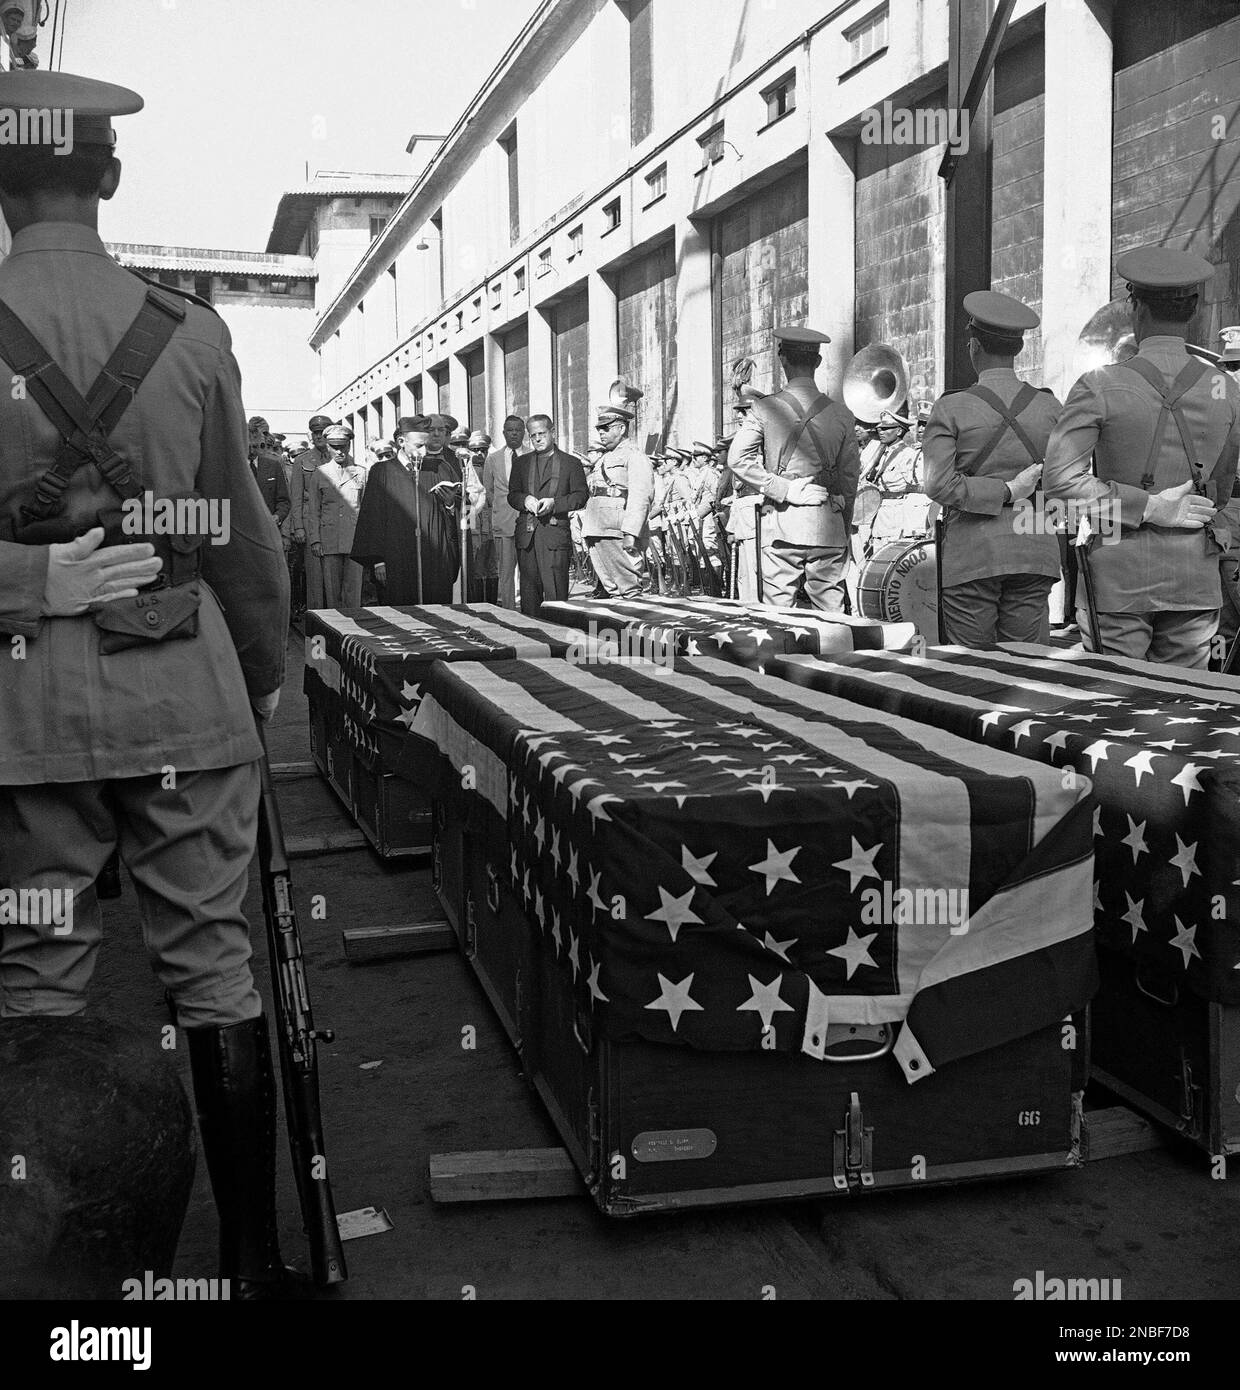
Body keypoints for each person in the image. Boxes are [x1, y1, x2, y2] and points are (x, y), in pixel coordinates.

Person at [0, 71, 291, 1294]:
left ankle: (61, 1266)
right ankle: (250, 1257)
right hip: (184, 687)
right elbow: (242, 540)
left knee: (40, 971)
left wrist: (29, 586)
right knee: (215, 965)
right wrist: (259, 675)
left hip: (24, 715)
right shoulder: (191, 331)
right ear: (107, 177)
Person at [1043, 247, 1240, 668]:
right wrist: (1175, 509)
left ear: (1135, 308)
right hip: (1194, 576)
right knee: (1182, 707)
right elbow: (1219, 491)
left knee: (1114, 703)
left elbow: (1060, 482)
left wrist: (1149, 507)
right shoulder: (1225, 388)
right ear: (1194, 309)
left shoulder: (1099, 385)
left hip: (1119, 576)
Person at [922, 292, 1063, 647]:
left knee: (971, 672)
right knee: (1029, 670)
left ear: (974, 347)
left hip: (973, 555)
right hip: (1035, 550)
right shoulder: (1050, 406)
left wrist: (1004, 491)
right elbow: (1067, 480)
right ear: (1017, 349)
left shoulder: (951, 407)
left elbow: (938, 484)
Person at [728, 326, 860, 611]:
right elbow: (850, 479)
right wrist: (843, 525)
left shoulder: (764, 408)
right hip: (828, 523)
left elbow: (737, 459)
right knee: (833, 617)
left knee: (779, 616)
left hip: (782, 523)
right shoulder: (842, 414)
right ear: (818, 362)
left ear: (782, 360)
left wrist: (784, 489)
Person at [351, 414, 462, 603]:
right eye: (418, 446)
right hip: (396, 558)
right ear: (402, 441)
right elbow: (372, 518)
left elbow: (451, 514)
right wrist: (378, 560)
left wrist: (451, 504)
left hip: (434, 559)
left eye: (426, 446)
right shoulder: (382, 471)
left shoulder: (439, 468)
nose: (423, 452)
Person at [508, 414, 588, 614]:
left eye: (542, 433)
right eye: (533, 435)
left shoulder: (571, 463)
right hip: (527, 535)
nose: (537, 439)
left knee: (556, 596)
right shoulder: (521, 463)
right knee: (528, 595)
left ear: (553, 432)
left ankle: (558, 639)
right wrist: (525, 500)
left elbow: (581, 496)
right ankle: (533, 638)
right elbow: (512, 495)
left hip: (554, 535)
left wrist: (555, 504)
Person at [582, 396, 655, 599]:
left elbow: (641, 496)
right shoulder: (606, 458)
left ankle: (636, 629)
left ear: (621, 429)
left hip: (617, 530)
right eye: (599, 429)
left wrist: (631, 532)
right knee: (612, 588)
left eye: (606, 428)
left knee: (629, 587)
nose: (601, 433)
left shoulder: (634, 456)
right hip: (597, 527)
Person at [306, 423, 366, 608]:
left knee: (353, 594)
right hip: (329, 540)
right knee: (332, 595)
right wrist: (315, 540)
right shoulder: (320, 473)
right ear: (328, 446)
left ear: (349, 446)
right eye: (334, 447)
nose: (339, 451)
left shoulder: (361, 473)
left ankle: (353, 633)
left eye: (343, 446)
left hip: (354, 540)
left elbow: (365, 511)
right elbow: (313, 510)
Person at [289, 414, 333, 611]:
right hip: (309, 522)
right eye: (315, 433)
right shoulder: (302, 460)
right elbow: (296, 498)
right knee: (314, 577)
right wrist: (298, 527)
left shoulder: (340, 456)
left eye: (322, 432)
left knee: (334, 575)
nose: (318, 436)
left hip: (334, 521)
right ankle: (316, 620)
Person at [483, 415, 525, 609]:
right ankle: (509, 612)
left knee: (529, 572)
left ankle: (531, 610)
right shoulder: (493, 459)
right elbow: (488, 490)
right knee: (506, 572)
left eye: (518, 429)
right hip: (503, 523)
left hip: (528, 523)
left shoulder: (533, 456)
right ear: (503, 433)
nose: (514, 433)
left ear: (524, 432)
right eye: (510, 430)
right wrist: (500, 510)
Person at [463, 429, 496, 602]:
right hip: (473, 519)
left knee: (492, 563)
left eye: (483, 449)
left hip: (491, 520)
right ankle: (475, 601)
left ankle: (491, 600)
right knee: (475, 562)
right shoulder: (466, 468)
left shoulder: (492, 467)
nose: (479, 453)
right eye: (475, 450)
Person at [246, 415, 291, 529]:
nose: (251, 451)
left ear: (261, 444)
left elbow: (284, 500)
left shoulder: (273, 465)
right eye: (248, 447)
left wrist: (278, 516)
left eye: (255, 447)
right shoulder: (233, 466)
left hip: (268, 529)